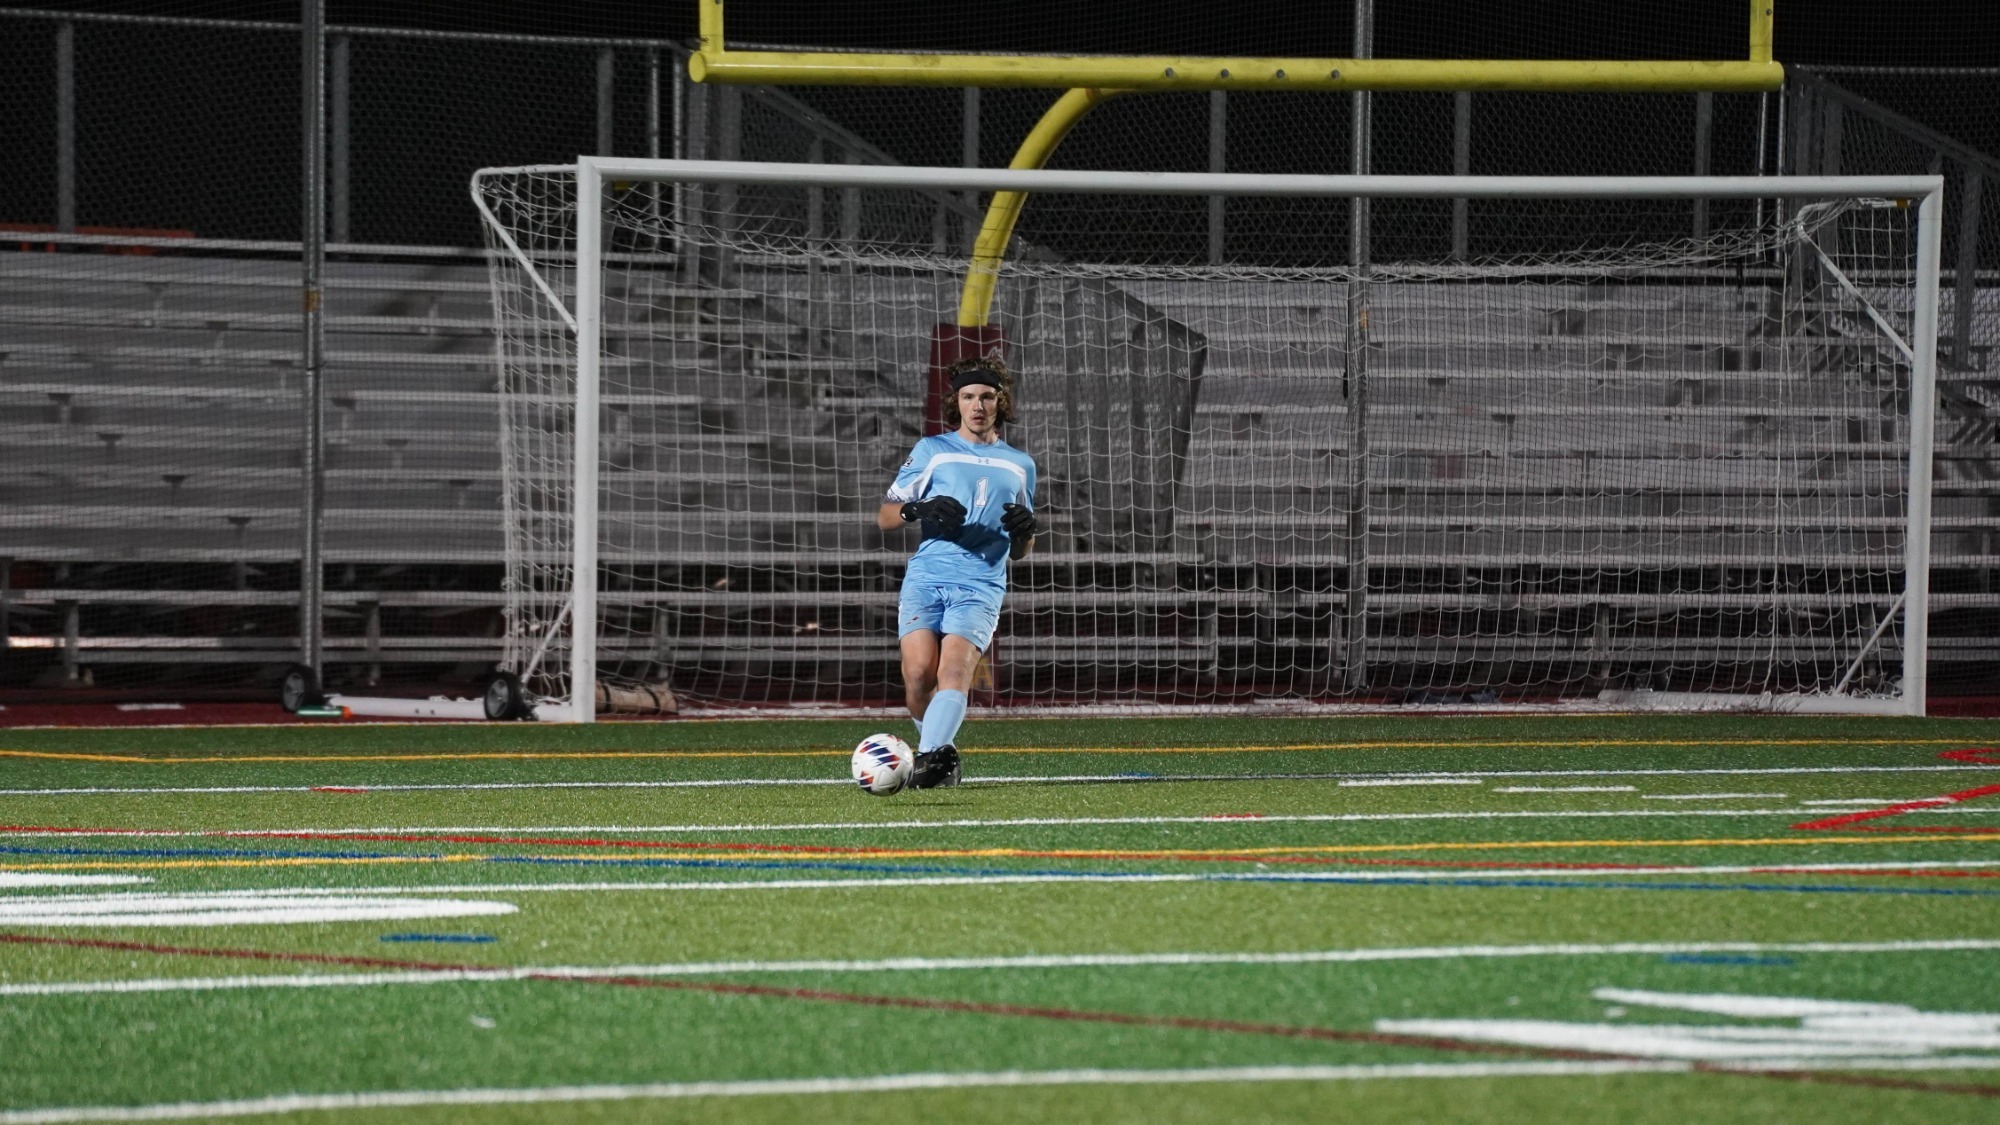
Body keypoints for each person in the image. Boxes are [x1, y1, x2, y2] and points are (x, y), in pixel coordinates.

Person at [876, 356, 1039, 788]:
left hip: (980, 583)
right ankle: (938, 750)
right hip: (927, 577)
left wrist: (1026, 532)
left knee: (954, 672)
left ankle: (928, 760)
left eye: (986, 397)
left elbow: (1021, 551)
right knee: (918, 674)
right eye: (968, 397)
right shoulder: (932, 450)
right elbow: (886, 517)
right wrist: (917, 509)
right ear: (957, 403)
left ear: (1000, 402)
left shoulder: (1020, 464)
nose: (977, 405)